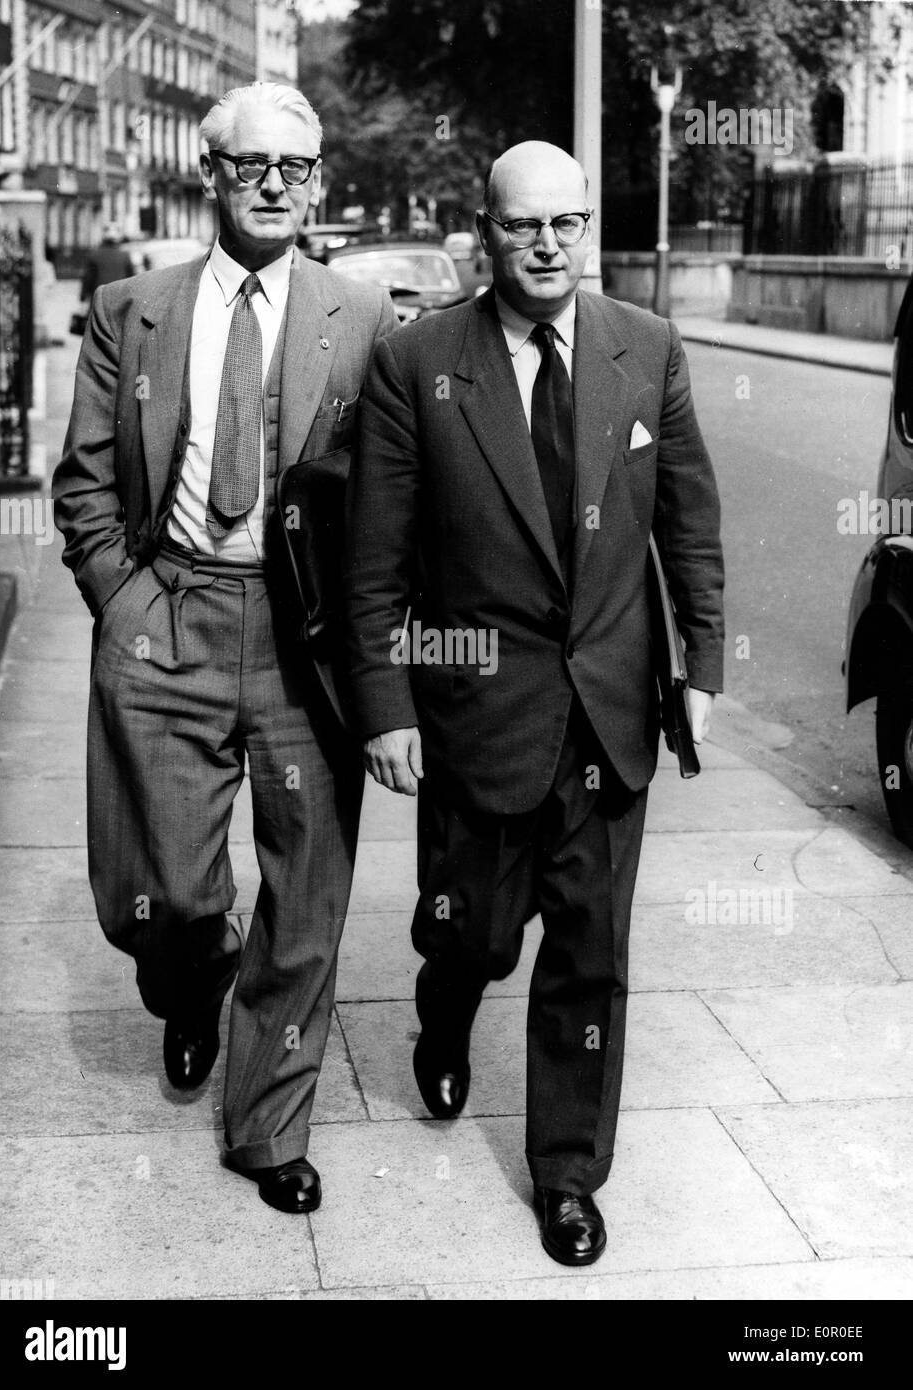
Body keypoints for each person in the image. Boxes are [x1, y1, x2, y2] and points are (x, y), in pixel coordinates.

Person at [345, 141, 724, 1266]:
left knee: (589, 956)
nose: (548, 245)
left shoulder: (643, 346)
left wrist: (699, 666)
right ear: (484, 231)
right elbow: (374, 560)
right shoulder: (419, 363)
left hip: (608, 713)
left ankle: (566, 1173)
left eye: (567, 223)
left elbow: (687, 520)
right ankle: (445, 1009)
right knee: (480, 932)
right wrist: (384, 705)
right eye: (523, 226)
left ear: (587, 228)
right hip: (476, 712)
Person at [53, 82, 396, 1216]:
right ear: (209, 171)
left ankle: (267, 1126)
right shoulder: (132, 309)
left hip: (305, 641)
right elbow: (84, 483)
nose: (271, 186)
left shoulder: (363, 315)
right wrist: (123, 602)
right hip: (171, 617)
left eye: (293, 169)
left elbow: (393, 498)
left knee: (306, 896)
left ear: (317, 184)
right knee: (160, 895)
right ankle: (190, 984)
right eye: (249, 164)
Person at [79, 224, 134, 302]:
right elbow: (131, 278)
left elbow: (88, 278)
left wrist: (83, 296)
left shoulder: (94, 255)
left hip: (99, 297)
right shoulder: (124, 256)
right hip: (120, 297)